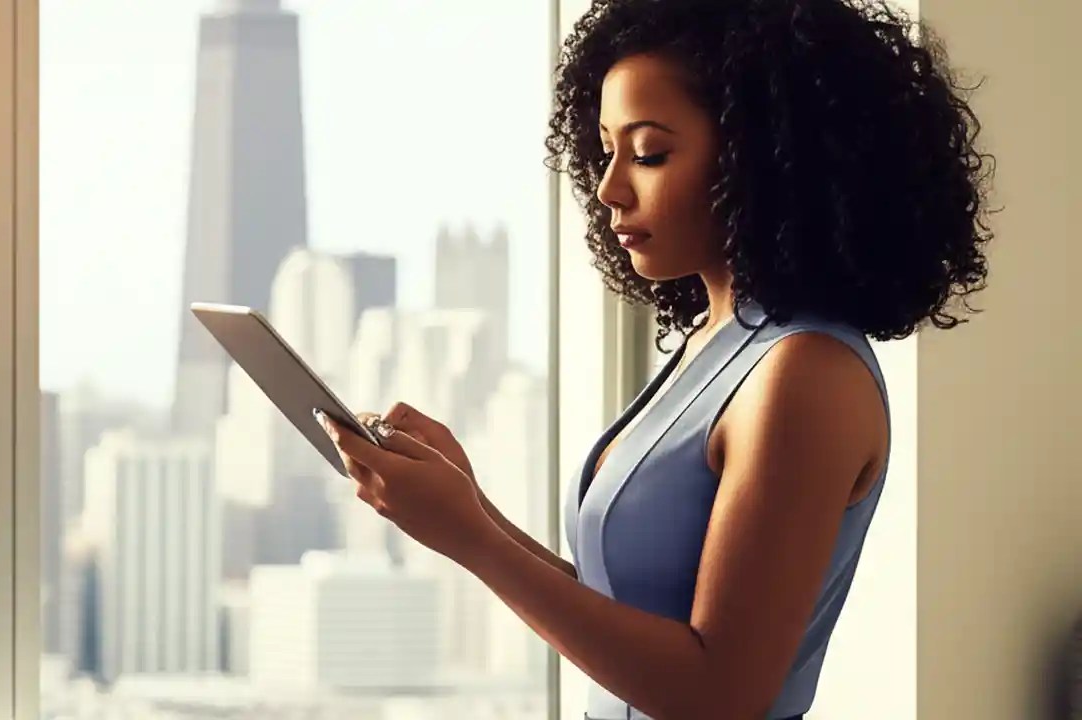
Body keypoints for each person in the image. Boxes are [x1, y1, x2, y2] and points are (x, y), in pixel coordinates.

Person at [313, 0, 992, 717]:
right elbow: (625, 612)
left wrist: (473, 537)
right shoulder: (719, 341)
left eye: (649, 154)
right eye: (605, 150)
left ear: (761, 157)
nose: (608, 187)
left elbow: (718, 692)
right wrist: (468, 505)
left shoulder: (804, 374)